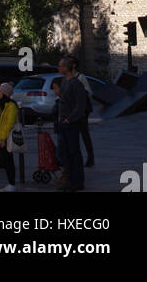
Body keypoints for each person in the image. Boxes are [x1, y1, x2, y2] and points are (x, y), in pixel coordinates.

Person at [56, 55, 89, 192]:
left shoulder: (76, 83)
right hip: (63, 123)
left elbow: (80, 105)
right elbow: (63, 101)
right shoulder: (64, 81)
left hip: (71, 123)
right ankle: (69, 180)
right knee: (64, 153)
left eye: (60, 66)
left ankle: (77, 181)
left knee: (74, 153)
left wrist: (70, 118)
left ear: (67, 68)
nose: (59, 68)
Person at [0, 82, 20, 191]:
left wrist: (3, 139)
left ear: (5, 93)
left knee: (9, 161)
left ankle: (12, 184)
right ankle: (10, 183)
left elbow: (9, 124)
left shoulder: (11, 106)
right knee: (6, 161)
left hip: (7, 139)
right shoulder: (1, 106)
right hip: (1, 139)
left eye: (0, 91)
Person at [73, 59, 95, 168]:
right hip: (72, 110)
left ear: (73, 65)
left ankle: (90, 158)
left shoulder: (80, 77)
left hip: (82, 110)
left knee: (84, 134)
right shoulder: (66, 78)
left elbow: (89, 92)